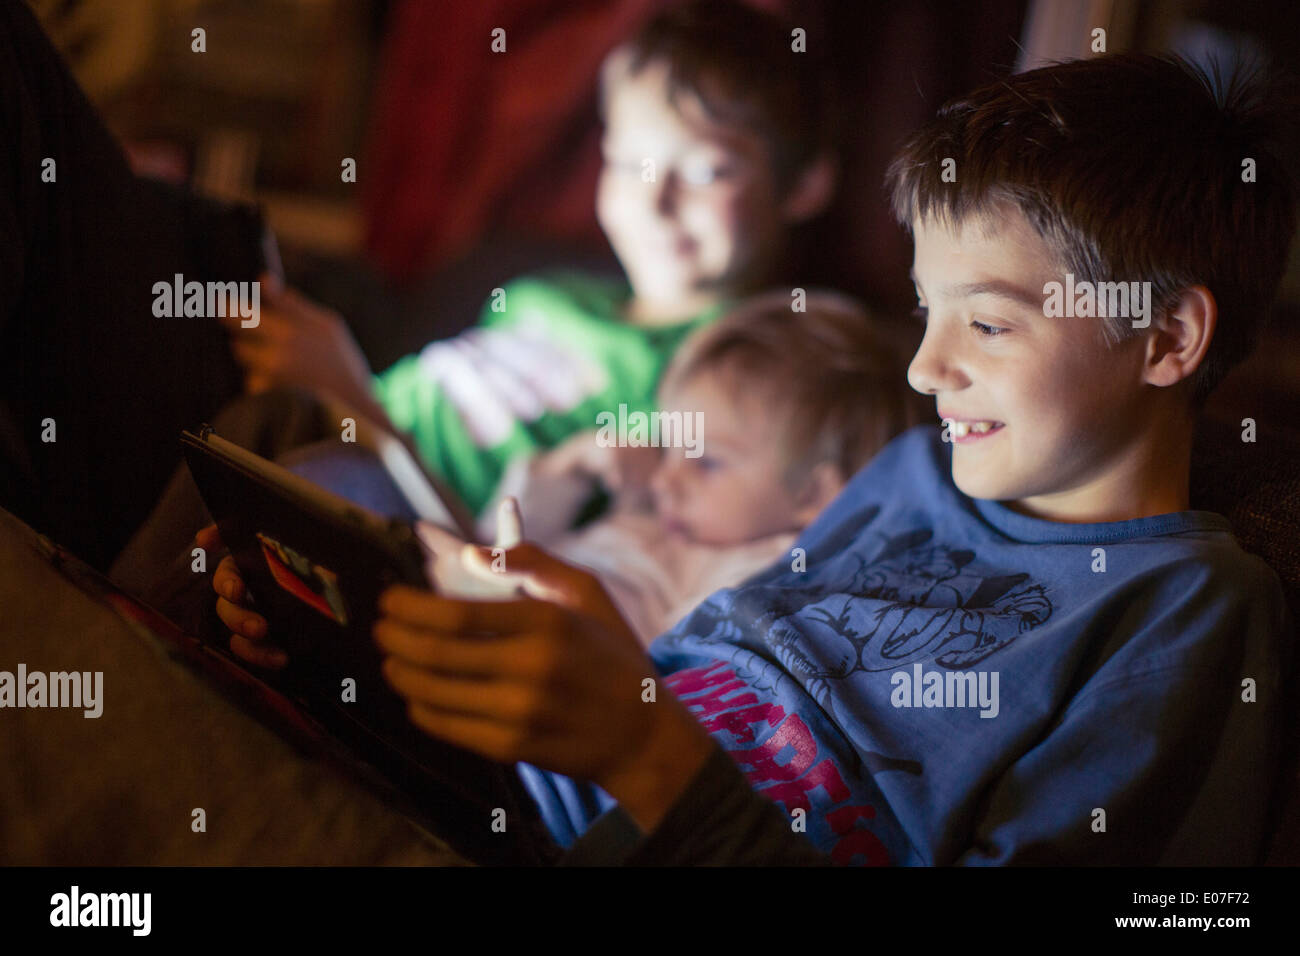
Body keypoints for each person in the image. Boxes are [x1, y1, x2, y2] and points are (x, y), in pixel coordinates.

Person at [214, 53, 1298, 866]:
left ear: (1165, 338)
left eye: (992, 324)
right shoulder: (910, 475)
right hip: (497, 789)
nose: (923, 368)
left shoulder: (1189, 606)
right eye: (927, 312)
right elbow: (685, 680)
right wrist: (358, 650)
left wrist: (647, 754)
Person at [109, 0, 838, 597]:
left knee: (275, 430)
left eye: (708, 170)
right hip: (320, 405)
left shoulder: (725, 376)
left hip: (397, 516)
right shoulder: (547, 290)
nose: (655, 201)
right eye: (629, 161)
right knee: (166, 246)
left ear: (805, 185)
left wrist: (351, 402)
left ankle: (121, 624)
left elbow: (508, 566)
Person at [478, 290, 923, 647]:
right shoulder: (659, 511)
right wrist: (567, 468)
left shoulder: (757, 582)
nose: (666, 477)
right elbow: (492, 543)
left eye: (707, 462)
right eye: (672, 446)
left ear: (812, 496)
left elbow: (658, 673)